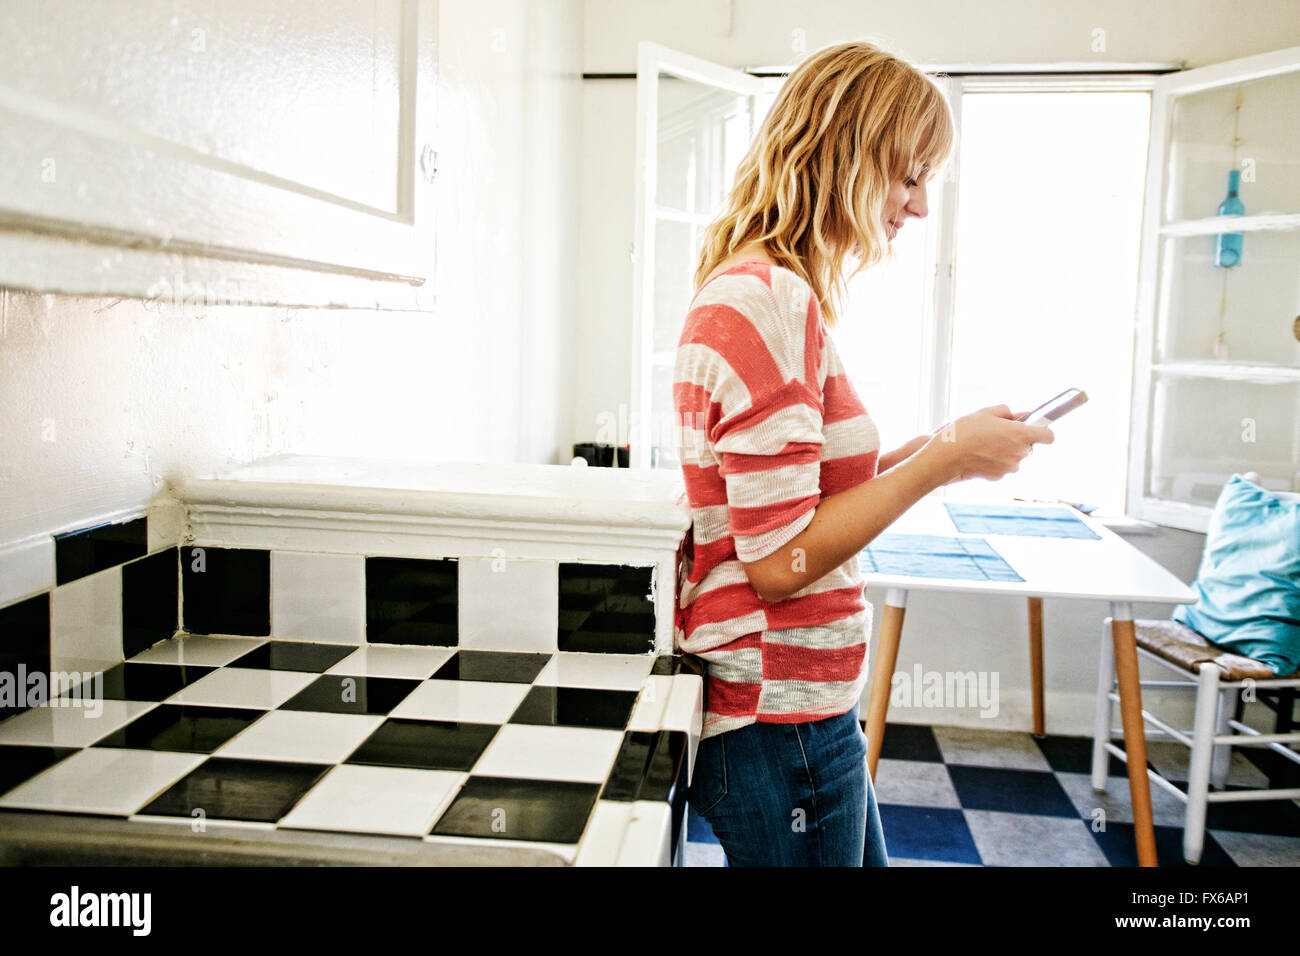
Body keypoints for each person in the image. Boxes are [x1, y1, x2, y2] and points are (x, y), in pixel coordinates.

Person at [671, 40, 1055, 867]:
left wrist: (939, 446)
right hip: (781, 715)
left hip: (794, 711)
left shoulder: (771, 290)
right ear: (843, 153)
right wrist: (942, 461)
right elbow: (779, 561)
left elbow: (796, 505)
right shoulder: (767, 299)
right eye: (907, 175)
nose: (917, 208)